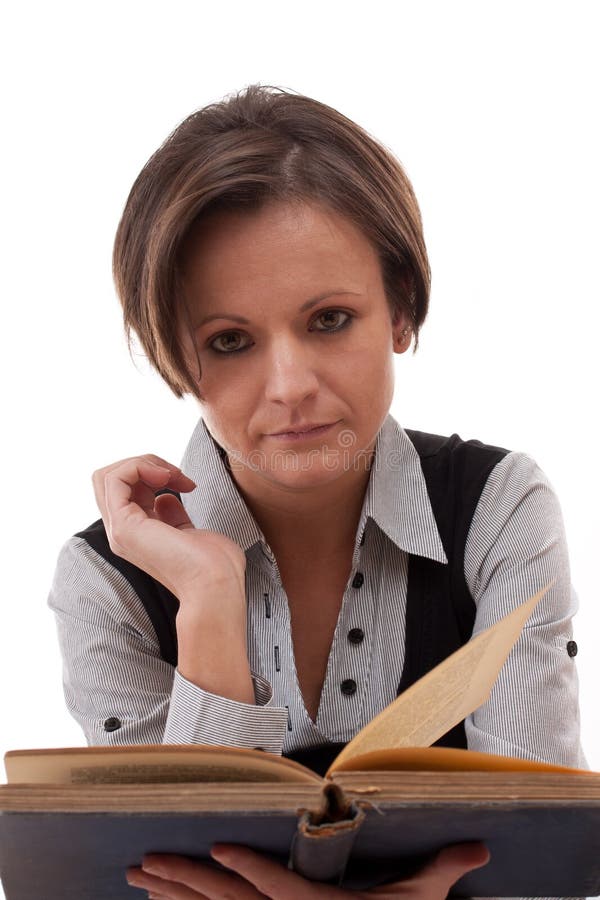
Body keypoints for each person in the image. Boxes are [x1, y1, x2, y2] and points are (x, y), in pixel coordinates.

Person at [48, 84, 585, 899]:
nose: (289, 385)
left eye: (329, 319)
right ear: (174, 359)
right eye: (229, 341)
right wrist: (208, 597)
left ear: (400, 308)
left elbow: (535, 866)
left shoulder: (499, 509)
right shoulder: (106, 584)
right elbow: (167, 872)